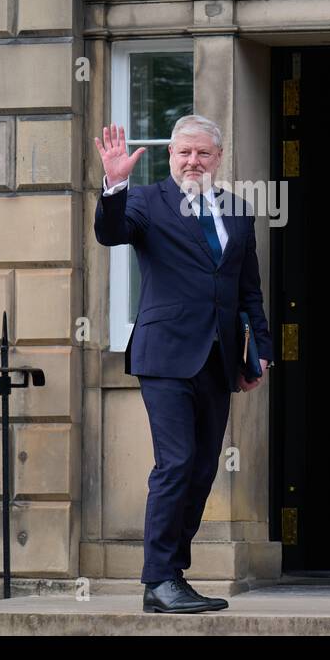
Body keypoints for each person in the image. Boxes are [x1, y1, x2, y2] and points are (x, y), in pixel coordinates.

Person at [93, 115, 273, 614]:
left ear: (218, 158)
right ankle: (159, 579)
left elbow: (248, 289)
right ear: (171, 155)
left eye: (203, 154)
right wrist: (114, 183)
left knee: (201, 468)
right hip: (165, 355)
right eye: (184, 153)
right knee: (175, 463)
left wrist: (259, 350)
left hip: (217, 359)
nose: (193, 162)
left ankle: (173, 574)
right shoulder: (146, 202)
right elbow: (110, 233)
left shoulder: (236, 212)